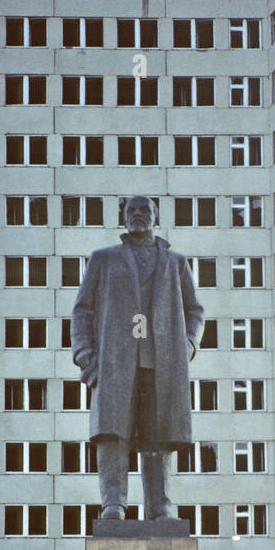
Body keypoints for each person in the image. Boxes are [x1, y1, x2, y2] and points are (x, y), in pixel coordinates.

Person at [70, 195, 205, 520]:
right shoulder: (103, 259)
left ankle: (159, 506)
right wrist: (85, 355)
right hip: (115, 361)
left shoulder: (175, 262)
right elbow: (82, 310)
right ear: (123, 217)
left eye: (145, 210)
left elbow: (195, 310)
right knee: (113, 431)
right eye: (132, 211)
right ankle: (113, 503)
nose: (138, 215)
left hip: (162, 363)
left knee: (157, 432)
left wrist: (187, 345)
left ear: (156, 216)